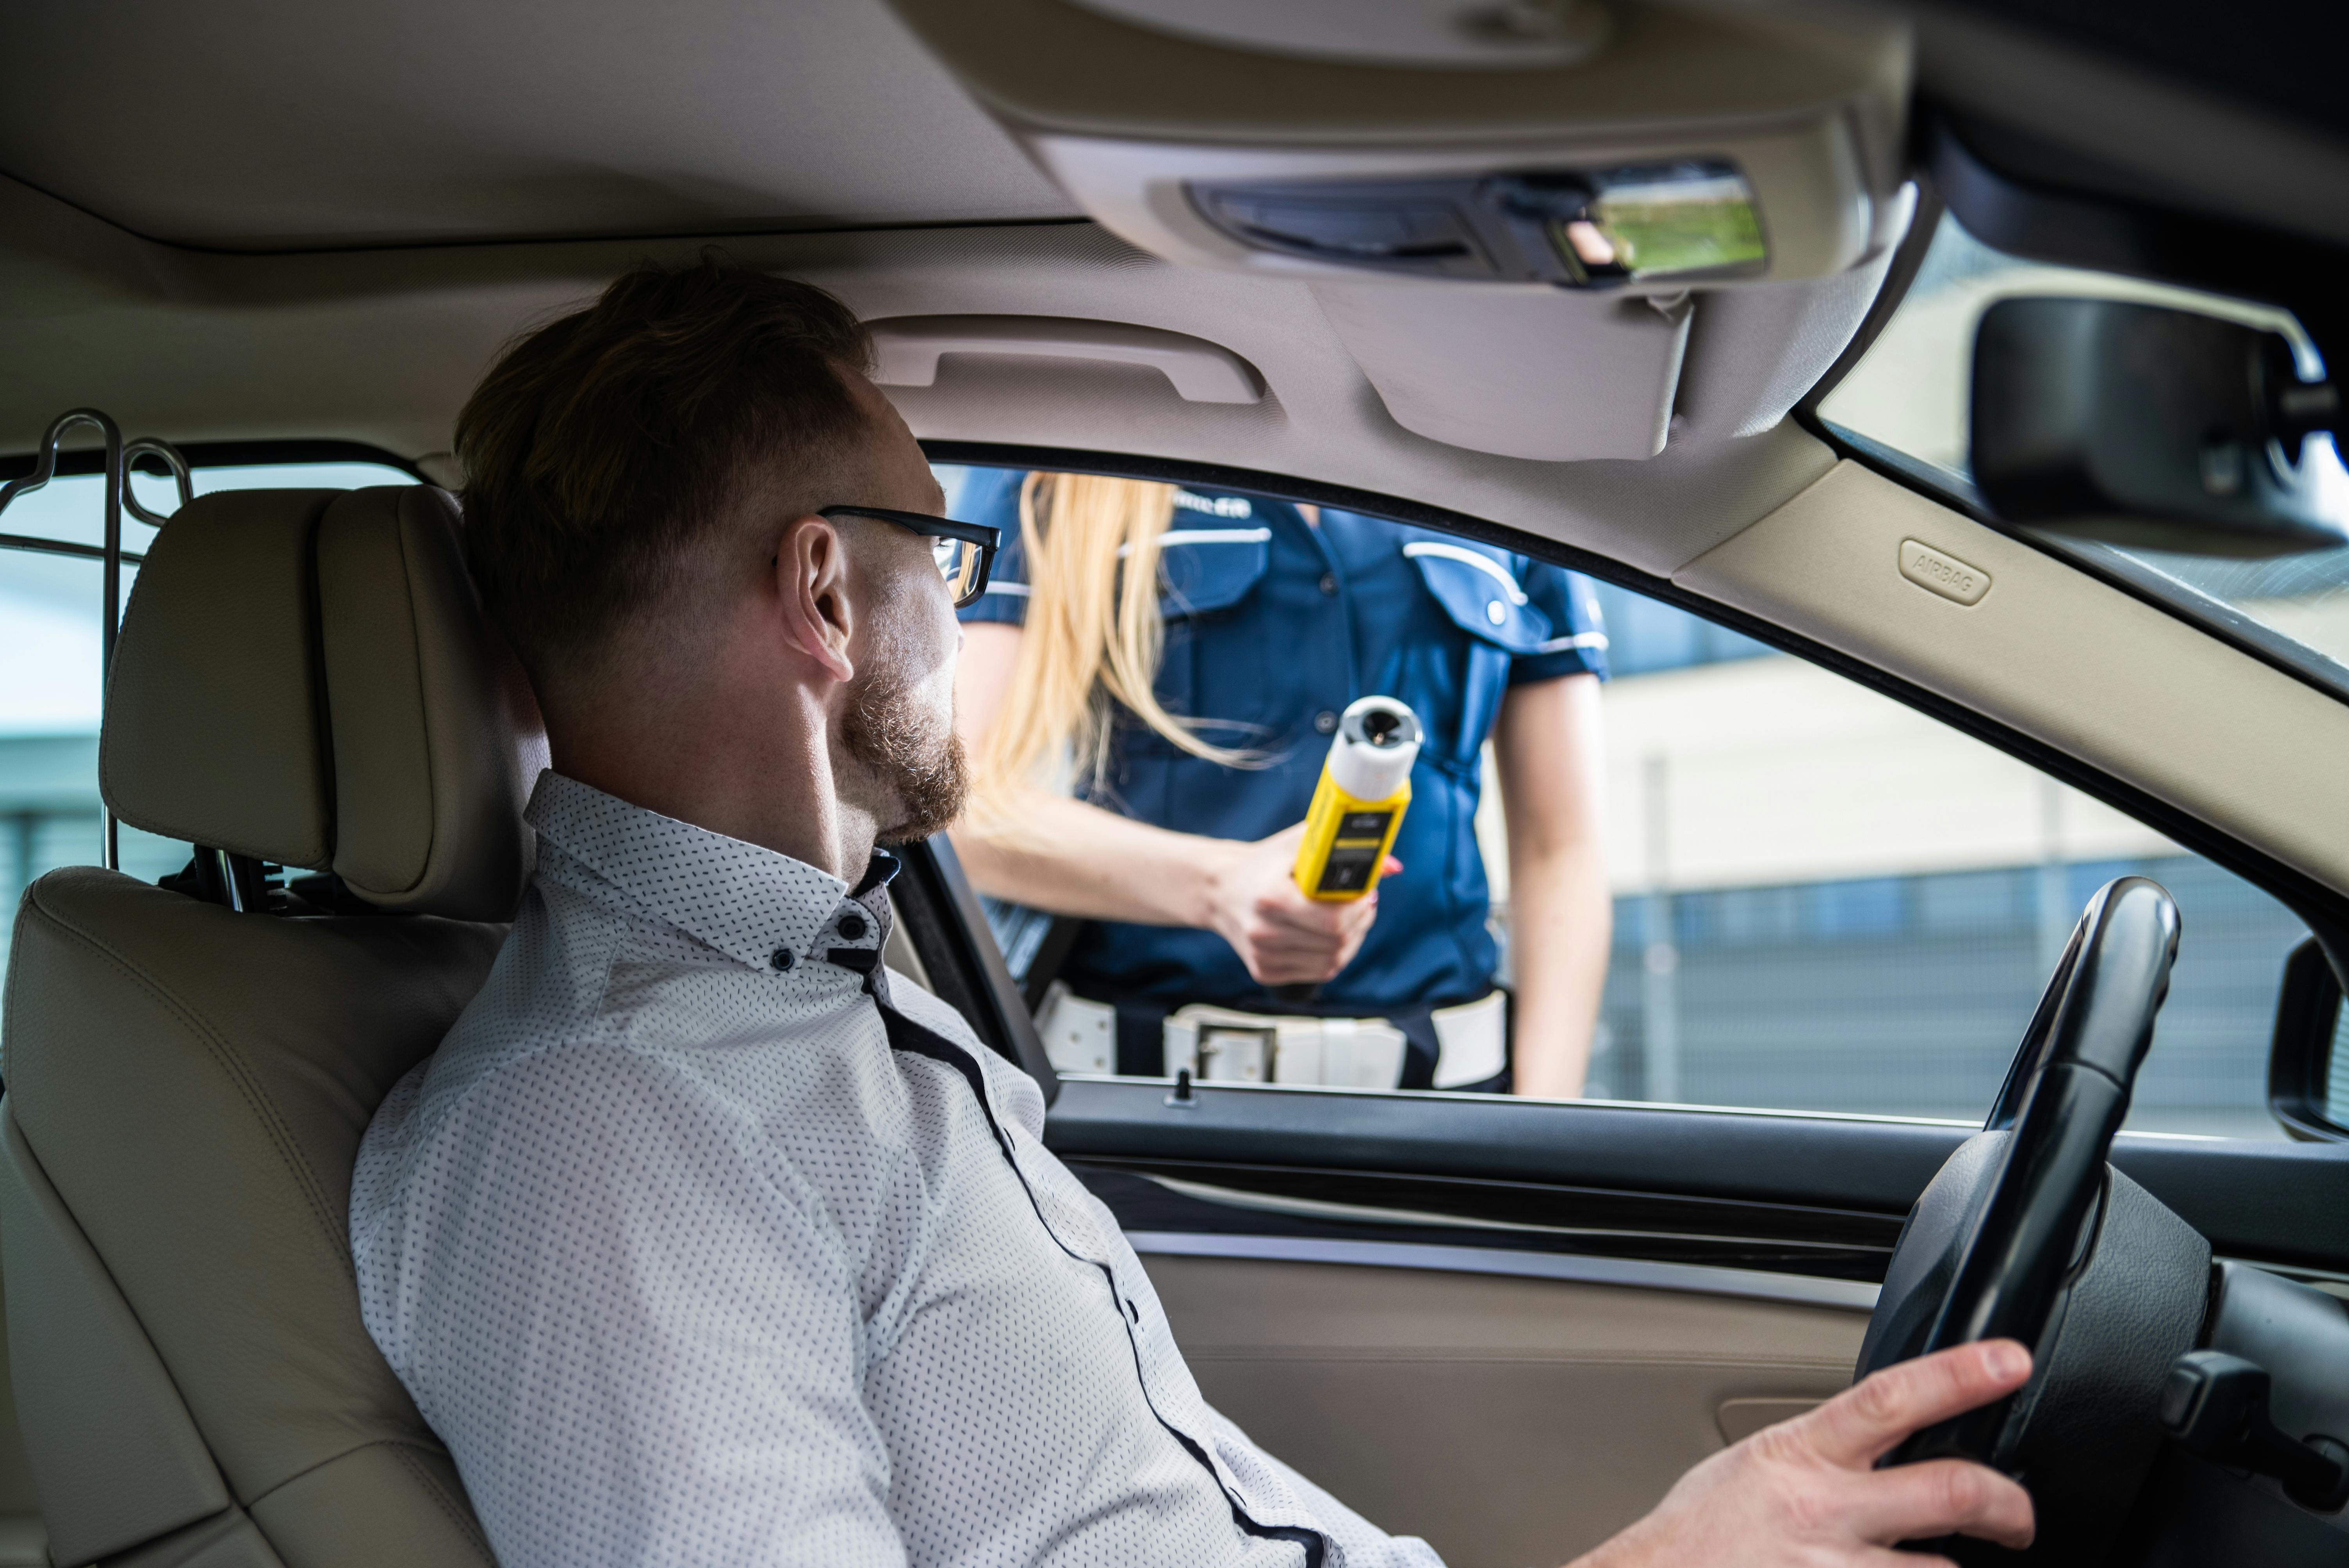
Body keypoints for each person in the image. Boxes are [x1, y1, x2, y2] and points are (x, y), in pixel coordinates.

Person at [350, 256, 2035, 1568]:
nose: (965, 597)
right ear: (821, 594)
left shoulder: (808, 993)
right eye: (945, 552)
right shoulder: (603, 1126)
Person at [951, 469, 1613, 1097]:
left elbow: (1563, 849)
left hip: (1453, 1111)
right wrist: (1217, 889)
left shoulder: (1518, 475)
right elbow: (960, 806)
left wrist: (1548, 1120)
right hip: (1140, 1119)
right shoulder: (1066, 464)